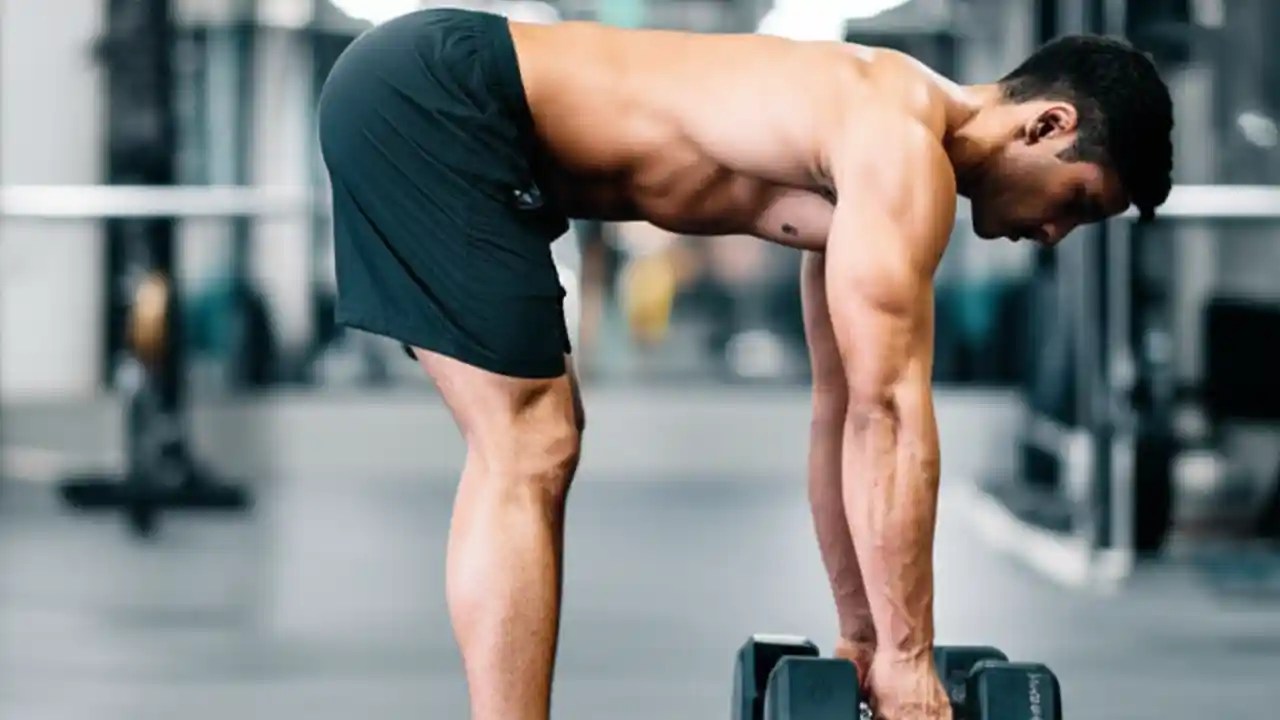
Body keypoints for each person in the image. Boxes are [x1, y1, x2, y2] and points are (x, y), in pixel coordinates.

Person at [316, 8, 1174, 720]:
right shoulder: (897, 139)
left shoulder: (872, 146)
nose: (1056, 233)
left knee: (539, 440)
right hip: (437, 92)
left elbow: (839, 411)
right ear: (1047, 122)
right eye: (1077, 201)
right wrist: (913, 666)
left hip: (448, 104)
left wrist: (866, 636)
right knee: (529, 444)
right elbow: (892, 415)